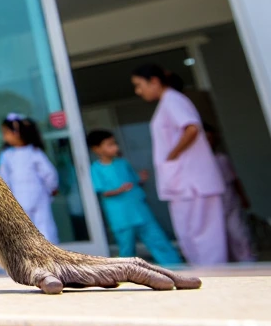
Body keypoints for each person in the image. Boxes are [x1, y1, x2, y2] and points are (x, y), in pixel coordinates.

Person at [132, 64, 227, 266]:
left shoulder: (173, 100)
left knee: (203, 235)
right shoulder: (168, 102)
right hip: (185, 182)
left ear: (154, 81)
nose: (138, 91)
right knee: (190, 234)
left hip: (193, 182)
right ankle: (205, 276)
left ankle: (216, 278)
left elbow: (191, 128)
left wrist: (172, 155)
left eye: (139, 85)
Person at [86, 129, 183, 265]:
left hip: (140, 209)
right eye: (109, 144)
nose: (115, 147)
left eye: (115, 143)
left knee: (158, 240)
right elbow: (103, 191)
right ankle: (126, 273)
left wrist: (141, 178)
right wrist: (120, 189)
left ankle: (176, 267)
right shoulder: (95, 168)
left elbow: (134, 181)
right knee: (126, 248)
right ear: (96, 149)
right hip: (121, 215)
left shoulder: (123, 163)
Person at [0, 114, 60, 243]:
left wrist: (51, 187)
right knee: (35, 228)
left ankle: (46, 257)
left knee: (39, 226)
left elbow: (48, 173)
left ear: (17, 132)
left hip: (31, 195)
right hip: (25, 195)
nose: (4, 136)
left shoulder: (31, 152)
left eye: (6, 132)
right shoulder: (10, 155)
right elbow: (4, 177)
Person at [206, 127, 256, 263]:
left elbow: (234, 180)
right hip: (210, 206)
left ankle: (248, 261)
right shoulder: (199, 163)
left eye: (210, 138)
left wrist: (243, 197)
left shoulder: (221, 159)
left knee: (238, 233)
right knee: (218, 238)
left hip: (230, 200)